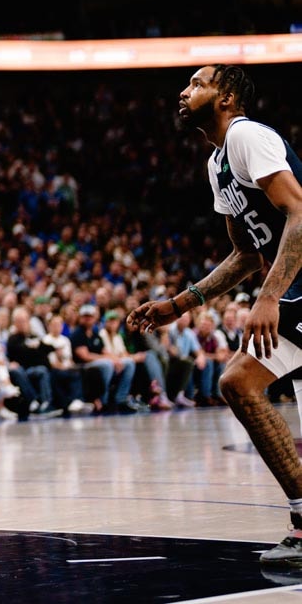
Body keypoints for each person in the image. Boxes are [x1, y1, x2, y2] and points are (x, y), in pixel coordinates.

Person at [130, 65, 302, 570]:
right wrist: (179, 304)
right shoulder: (217, 162)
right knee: (240, 385)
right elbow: (246, 253)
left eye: (197, 84)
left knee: (238, 383)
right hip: (294, 288)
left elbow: (300, 212)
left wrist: (268, 298)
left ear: (226, 98)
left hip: (296, 290)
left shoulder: (247, 135)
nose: (184, 92)